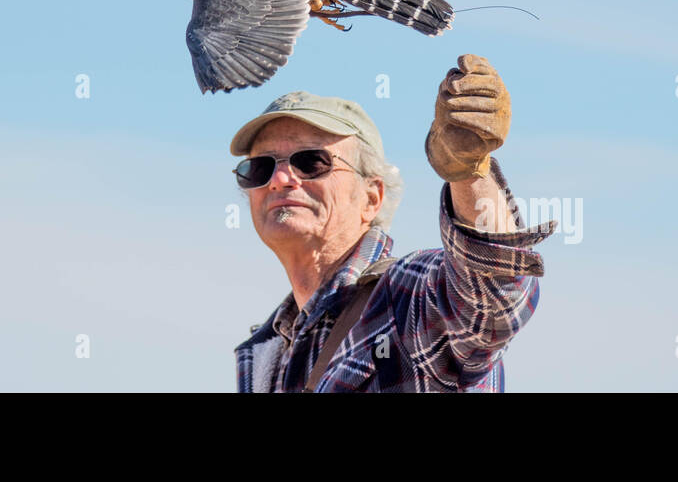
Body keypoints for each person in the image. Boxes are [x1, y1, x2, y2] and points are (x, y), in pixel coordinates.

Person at [232, 54, 556, 392]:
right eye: (260, 167)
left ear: (372, 197)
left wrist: (468, 170)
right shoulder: (268, 351)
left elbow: (491, 297)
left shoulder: (405, 299)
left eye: (311, 162)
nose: (280, 178)